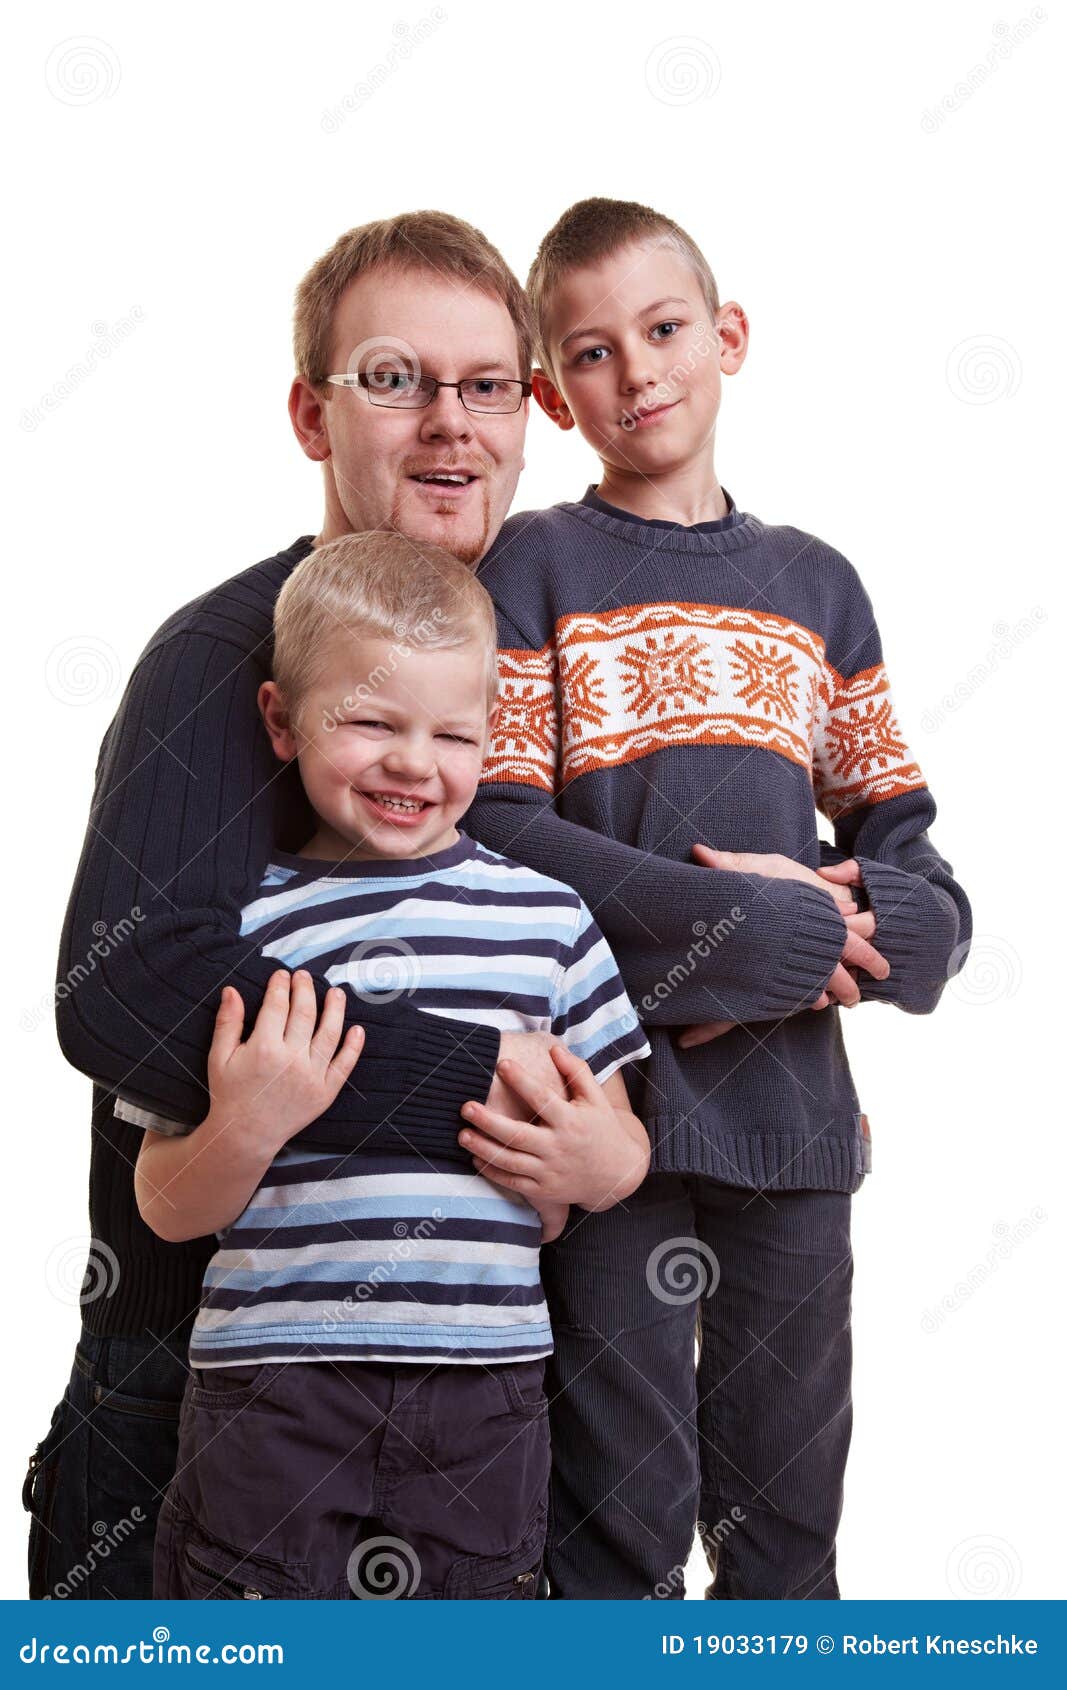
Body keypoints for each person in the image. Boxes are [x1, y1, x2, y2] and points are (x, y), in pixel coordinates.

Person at [27, 212, 633, 1598]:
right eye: (393, 378)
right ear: (311, 413)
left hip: (489, 1415)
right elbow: (128, 988)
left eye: (487, 384)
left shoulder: (524, 646)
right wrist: (504, 1087)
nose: (449, 423)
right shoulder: (223, 656)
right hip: (204, 1402)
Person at [464, 197, 973, 1599]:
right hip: (606, 1120)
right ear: (553, 398)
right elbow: (502, 825)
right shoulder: (534, 568)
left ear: (727, 335)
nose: (634, 371)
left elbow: (919, 874)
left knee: (783, 1531)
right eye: (587, 351)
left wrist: (863, 922)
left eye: (662, 328)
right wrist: (760, 931)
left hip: (793, 1139)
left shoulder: (817, 588)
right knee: (614, 1528)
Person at [130, 533, 650, 1599]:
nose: (416, 762)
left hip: (485, 1392)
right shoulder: (229, 927)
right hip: (272, 1387)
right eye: (370, 721)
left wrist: (594, 1165)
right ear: (281, 720)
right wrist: (249, 1122)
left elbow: (624, 1145)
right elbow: (165, 1203)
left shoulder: (546, 919)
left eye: (453, 733)